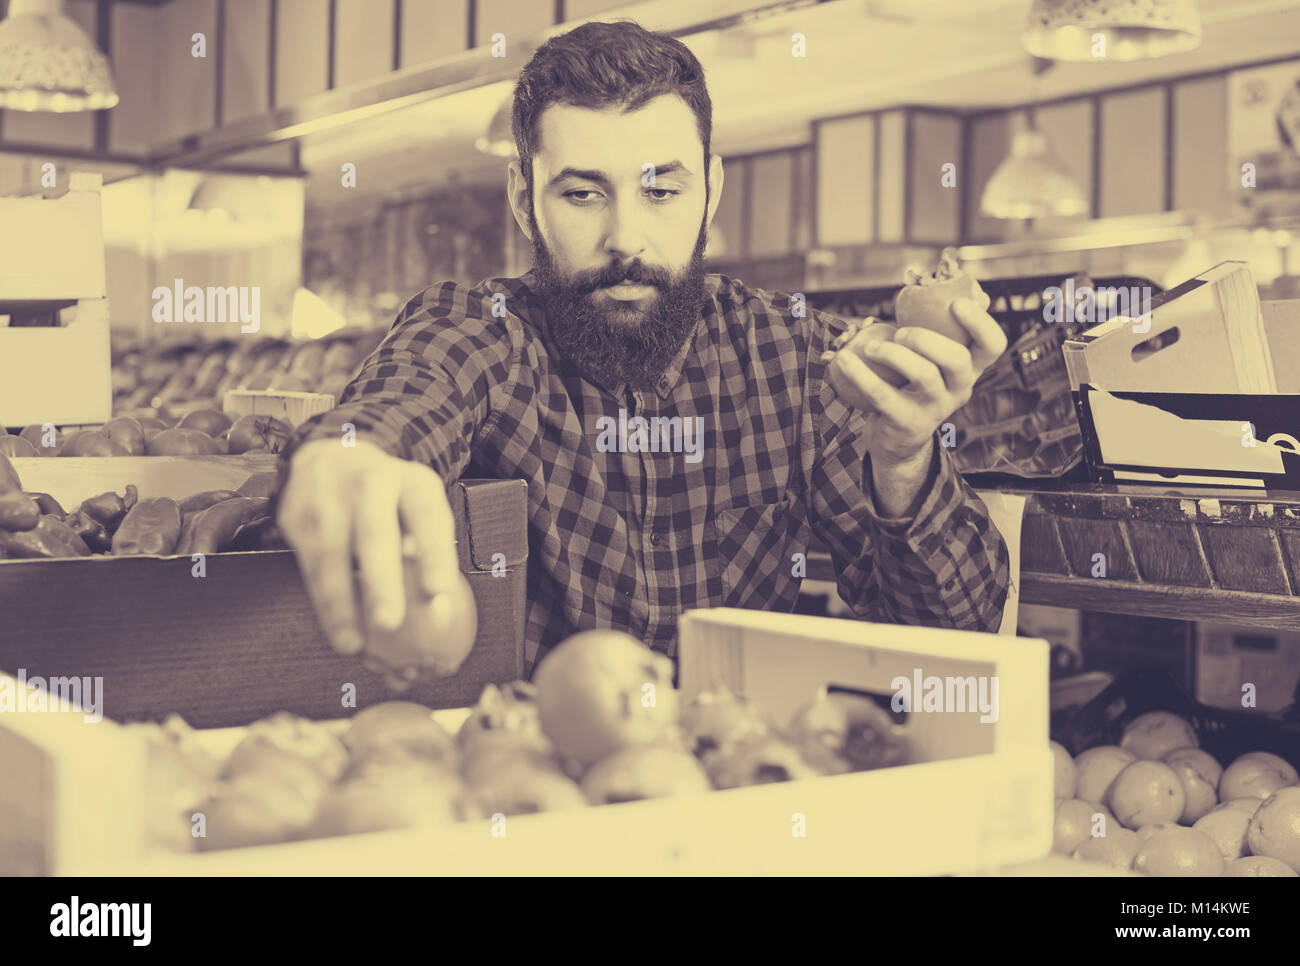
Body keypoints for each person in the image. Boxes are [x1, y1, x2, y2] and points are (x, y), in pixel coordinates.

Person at [276, 20, 1010, 677]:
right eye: (583, 194)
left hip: (734, 783)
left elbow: (956, 641)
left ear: (711, 192)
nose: (626, 239)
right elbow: (403, 400)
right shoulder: (484, 331)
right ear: (523, 198)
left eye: (661, 191)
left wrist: (908, 461)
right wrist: (348, 457)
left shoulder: (797, 358)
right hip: (528, 788)